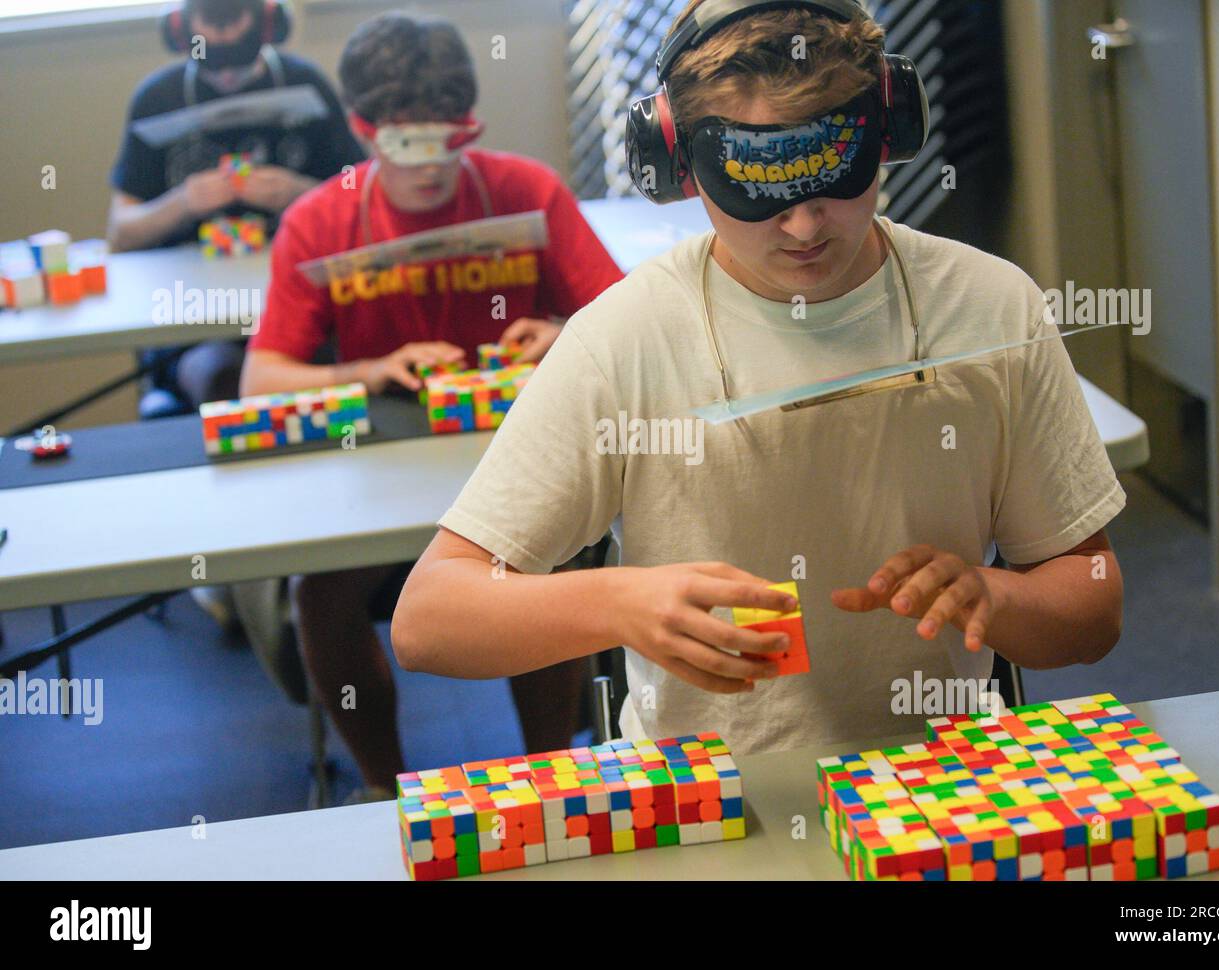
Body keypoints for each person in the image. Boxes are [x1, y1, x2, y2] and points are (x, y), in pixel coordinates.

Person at [390, 0, 1127, 756]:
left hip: (934, 783)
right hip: (709, 792)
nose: (805, 228)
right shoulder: (625, 338)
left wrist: (996, 595)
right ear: (676, 161)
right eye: (759, 190)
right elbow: (430, 618)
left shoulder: (991, 307)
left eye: (833, 177)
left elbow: (1092, 600)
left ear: (888, 126)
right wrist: (616, 601)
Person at [240, 12, 625, 798]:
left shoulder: (526, 190)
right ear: (361, 129)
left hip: (513, 456)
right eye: (404, 145)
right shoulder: (318, 220)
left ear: (470, 126)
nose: (429, 167)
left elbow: (627, 322)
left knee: (547, 566)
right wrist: (371, 369)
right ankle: (384, 787)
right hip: (380, 471)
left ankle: (551, 775)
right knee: (322, 593)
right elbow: (262, 378)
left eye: (450, 140)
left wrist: (562, 333)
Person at [107, 0, 363, 411]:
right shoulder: (158, 97)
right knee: (219, 376)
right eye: (214, 64)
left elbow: (364, 200)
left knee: (313, 364)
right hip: (192, 318)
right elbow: (121, 232)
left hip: (298, 307)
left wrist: (298, 194)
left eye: (237, 64)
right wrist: (184, 202)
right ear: (182, 29)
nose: (227, 77)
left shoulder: (305, 83)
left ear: (266, 23)